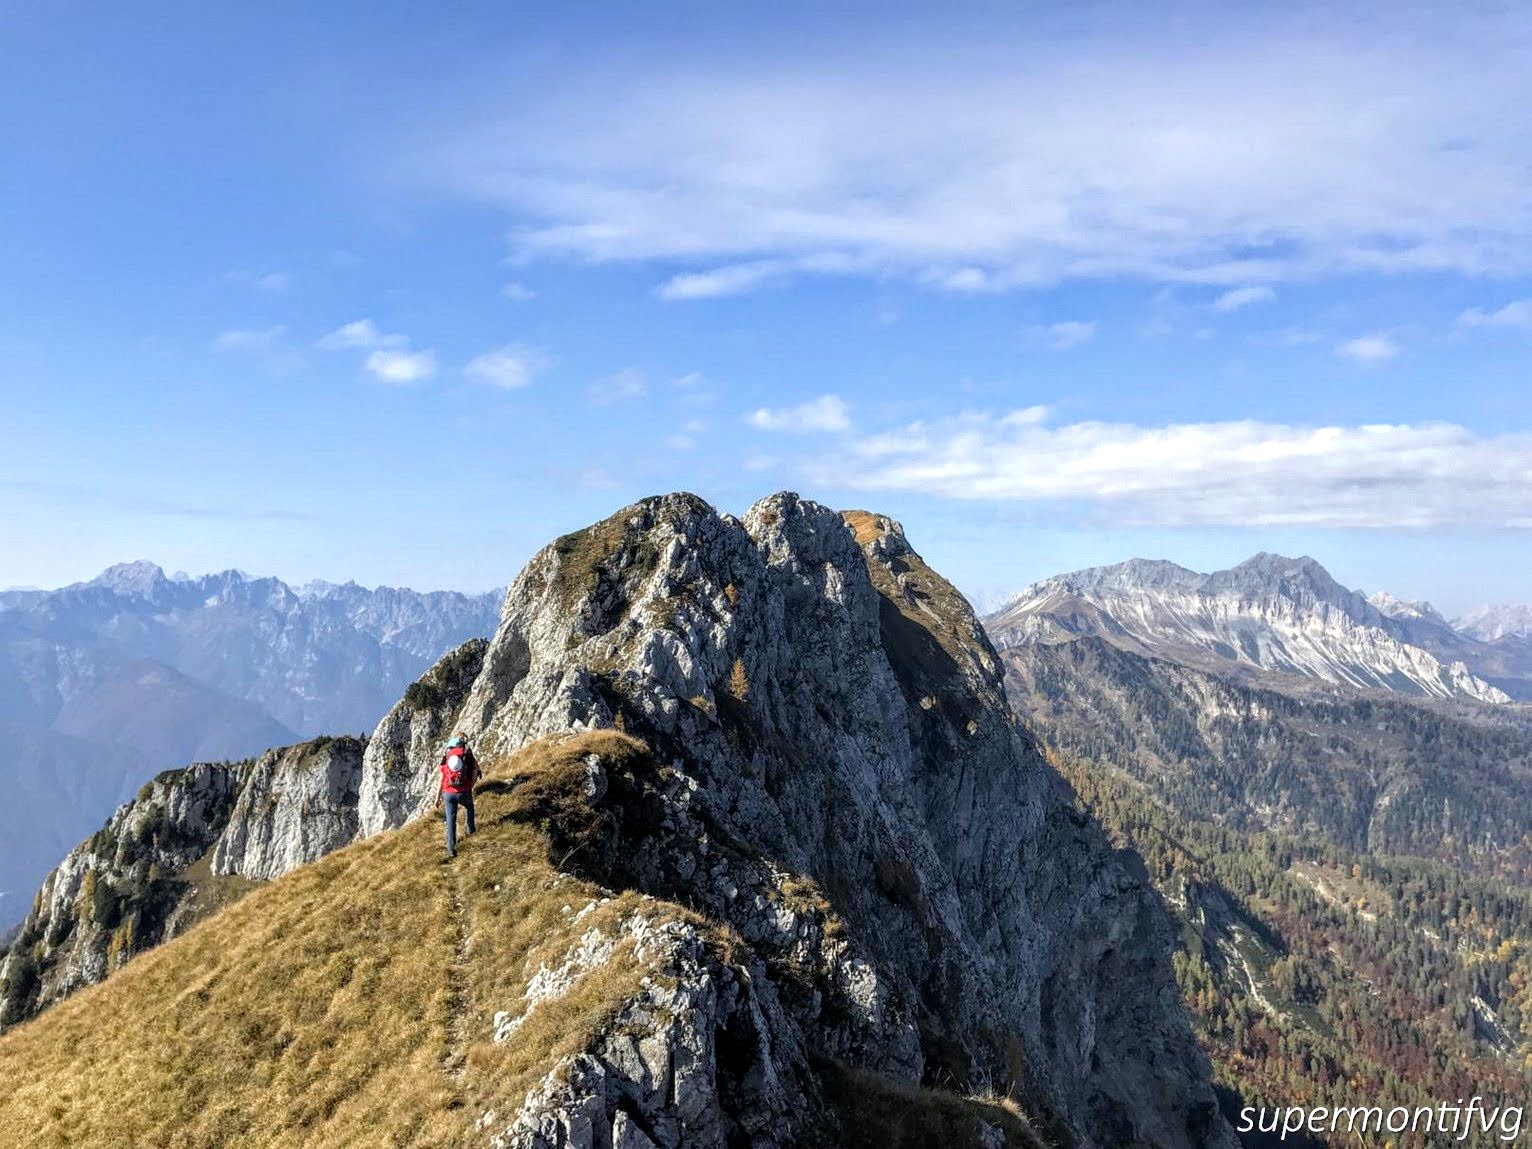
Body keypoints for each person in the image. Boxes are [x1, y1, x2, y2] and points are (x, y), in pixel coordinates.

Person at [435, 734, 482, 859]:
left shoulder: (446, 758)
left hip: (448, 793)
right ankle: (470, 830)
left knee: (450, 820)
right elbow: (474, 772)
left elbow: (440, 781)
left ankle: (451, 849)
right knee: (470, 808)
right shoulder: (467, 755)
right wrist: (470, 786)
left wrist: (437, 798)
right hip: (464, 792)